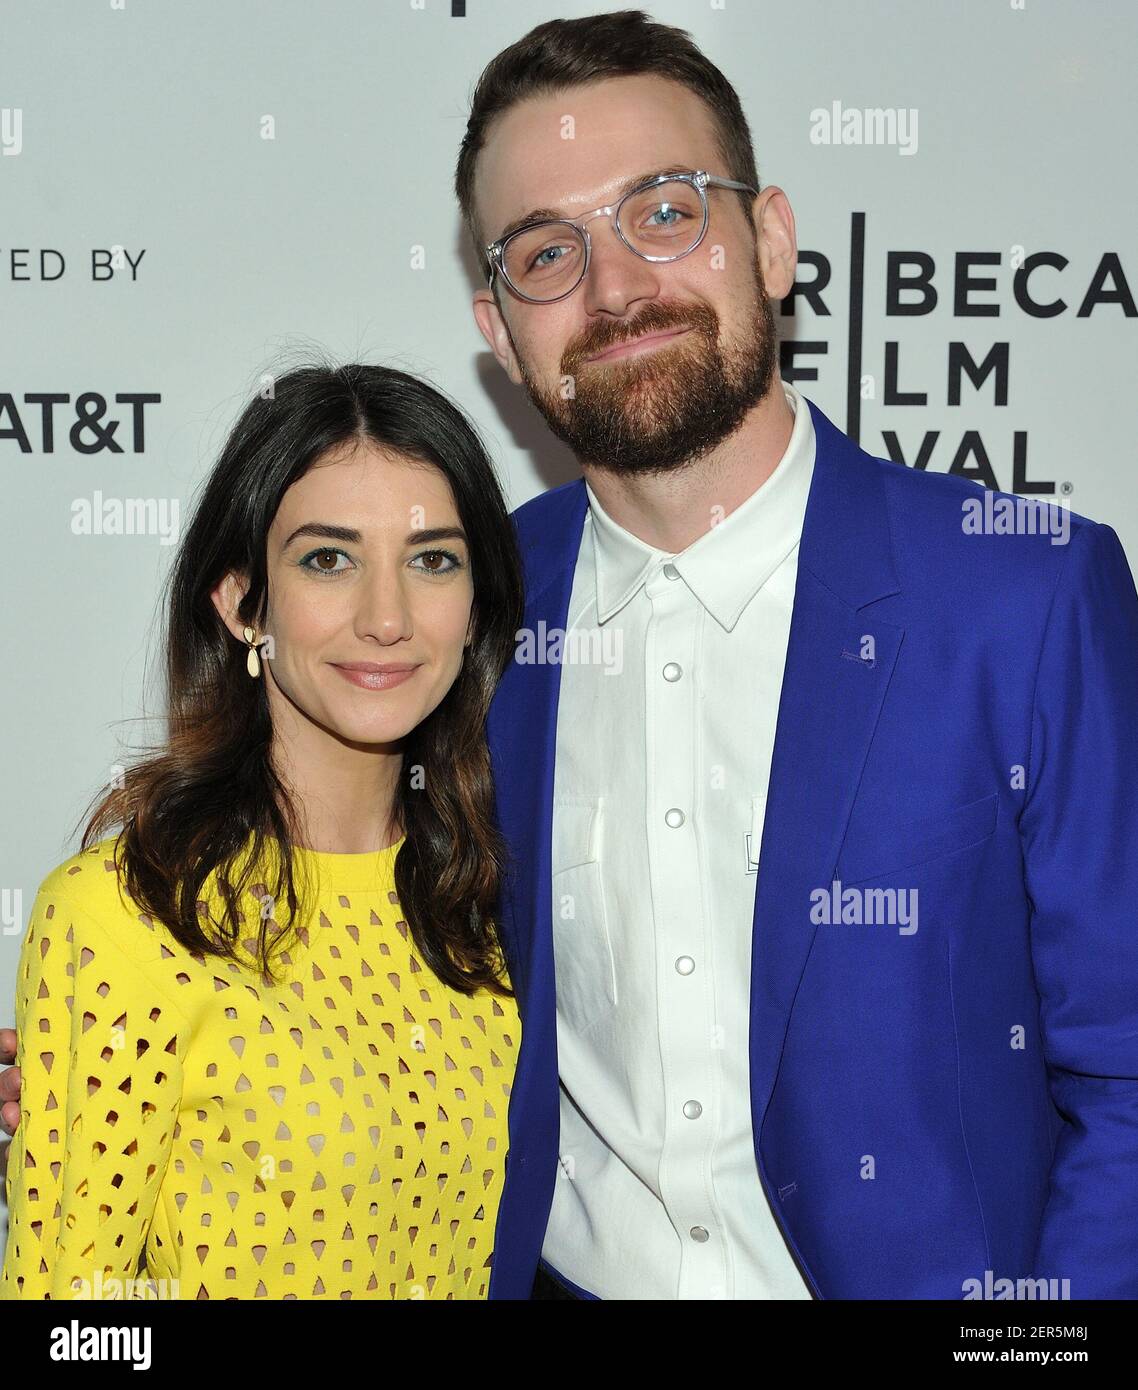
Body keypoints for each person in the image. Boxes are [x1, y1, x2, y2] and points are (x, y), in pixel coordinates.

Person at [6, 8, 1138, 1303]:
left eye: (662, 211)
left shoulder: (1022, 591)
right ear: (496, 324)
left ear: (769, 240)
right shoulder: (463, 612)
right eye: (545, 251)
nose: (611, 287)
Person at [0, 362, 524, 1300]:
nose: (387, 617)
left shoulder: (499, 903)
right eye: (328, 558)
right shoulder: (126, 917)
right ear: (243, 602)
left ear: (477, 604)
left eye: (433, 559)